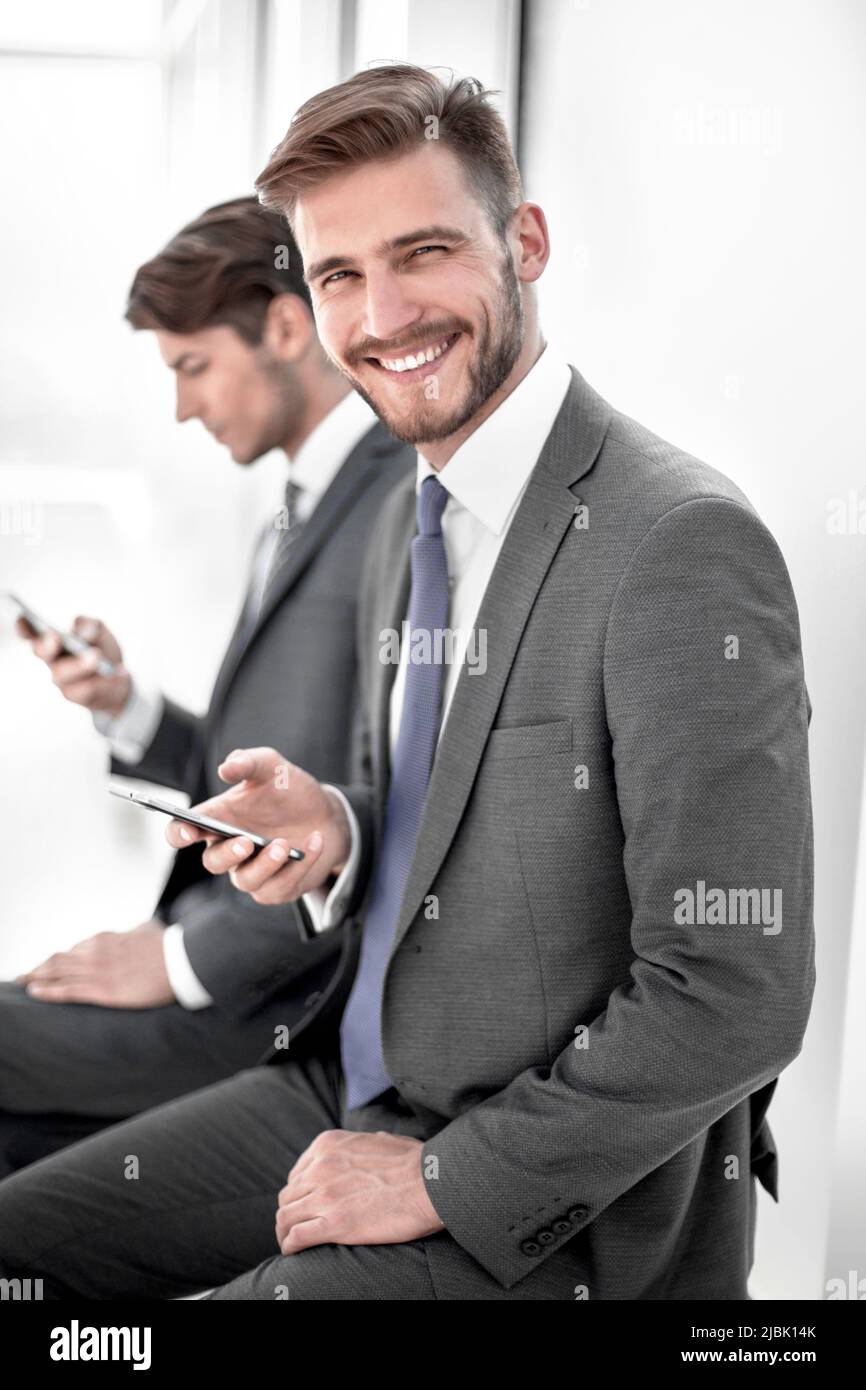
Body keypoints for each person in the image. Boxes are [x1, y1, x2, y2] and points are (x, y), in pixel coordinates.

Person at [0, 65, 813, 1301]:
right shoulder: (408, 515)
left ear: (523, 242)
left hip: (545, 1192)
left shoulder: (677, 541)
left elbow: (732, 989)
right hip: (345, 1084)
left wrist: (436, 1179)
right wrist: (334, 829)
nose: (378, 315)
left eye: (421, 251)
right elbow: (424, 814)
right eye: (336, 276)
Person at [1, 195, 411, 1176]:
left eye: (192, 368)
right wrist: (124, 704)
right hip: (219, 961)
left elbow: (386, 816)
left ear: (281, 325)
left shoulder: (400, 508)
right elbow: (260, 785)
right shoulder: (307, 504)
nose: (183, 406)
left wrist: (177, 962)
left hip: (272, 1007)